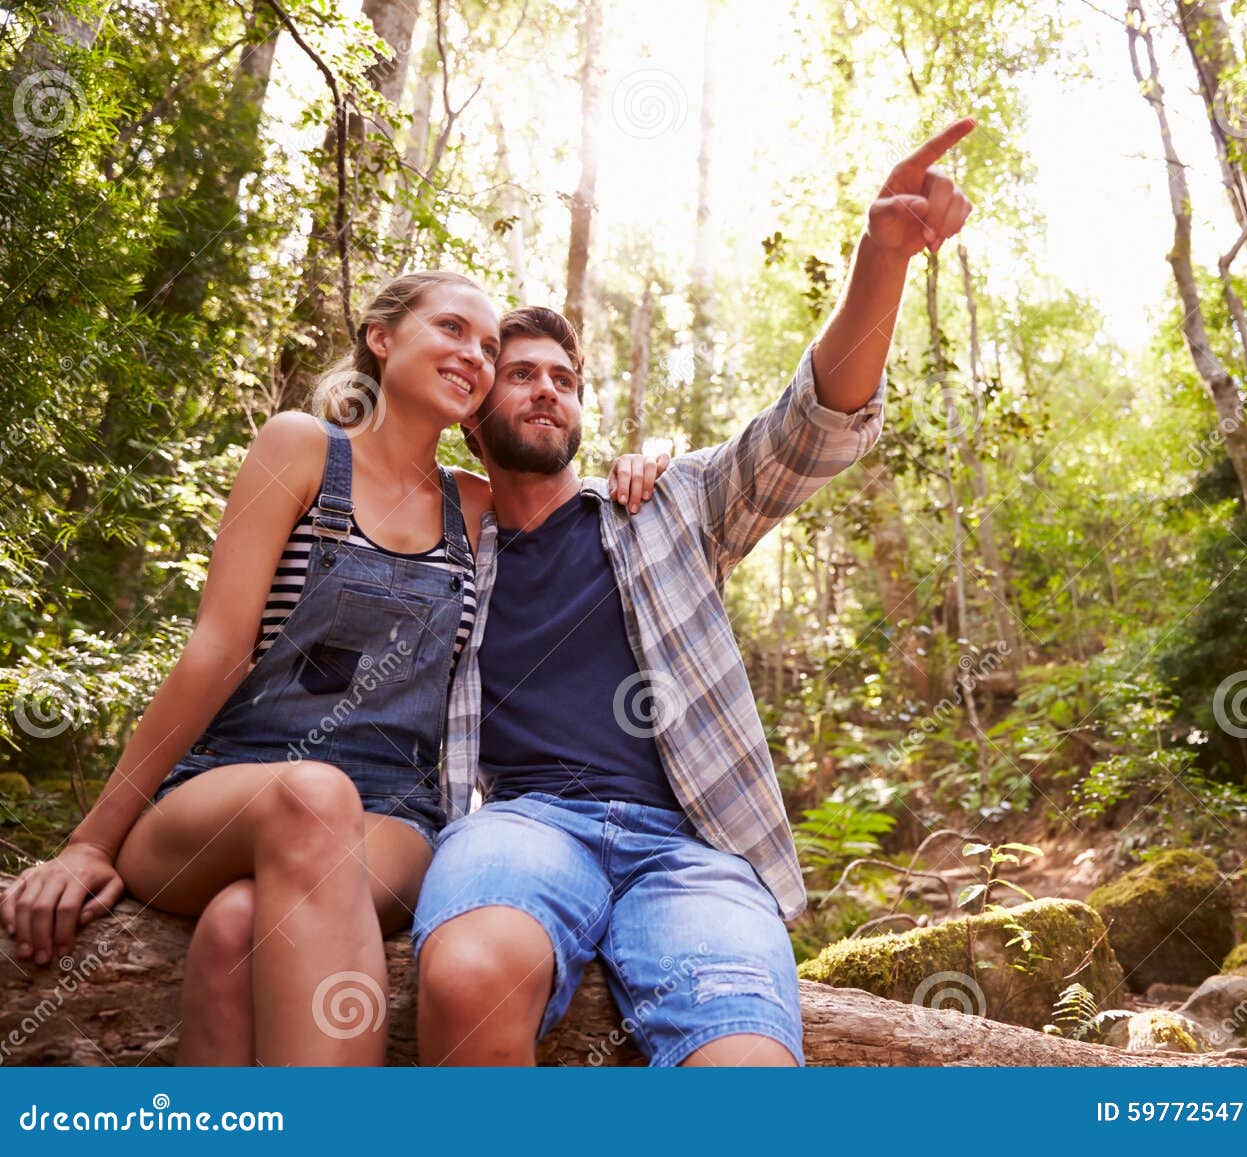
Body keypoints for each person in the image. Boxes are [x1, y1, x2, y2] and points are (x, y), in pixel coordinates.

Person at [413, 119, 977, 1066]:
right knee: (469, 972)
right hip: (524, 827)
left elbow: (815, 424)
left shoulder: (668, 504)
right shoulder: (444, 540)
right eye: (519, 376)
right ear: (475, 418)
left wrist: (882, 258)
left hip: (693, 848)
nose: (547, 389)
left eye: (563, 376)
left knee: (746, 1066)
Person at [0, 271, 666, 1065]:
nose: (474, 356)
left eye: (489, 348)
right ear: (381, 338)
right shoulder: (302, 448)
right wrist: (87, 843)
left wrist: (648, 461)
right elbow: (215, 653)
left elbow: (561, 489)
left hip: (394, 819)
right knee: (312, 798)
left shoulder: (476, 505)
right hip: (223, 790)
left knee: (238, 925)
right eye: (452, 329)